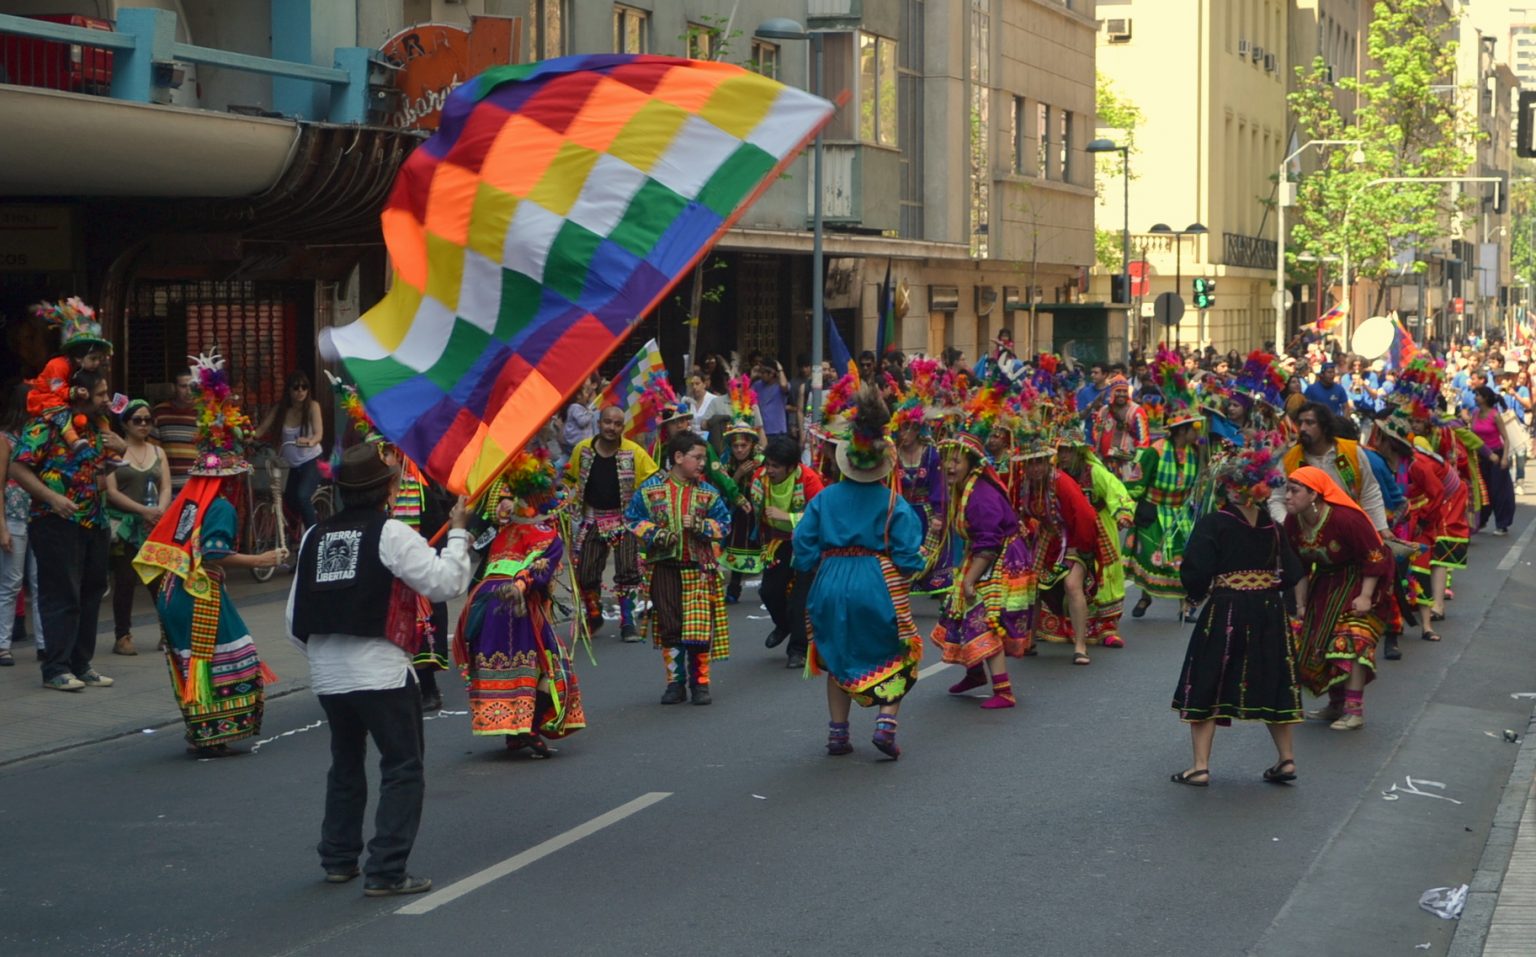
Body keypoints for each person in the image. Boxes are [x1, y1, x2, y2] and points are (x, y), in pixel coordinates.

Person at [287, 443, 475, 896]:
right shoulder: (391, 533)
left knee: (346, 762)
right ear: (390, 488)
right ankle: (387, 870)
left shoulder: (315, 536)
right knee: (403, 766)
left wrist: (325, 656)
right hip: (381, 671)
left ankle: (338, 856)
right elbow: (446, 583)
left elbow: (294, 619)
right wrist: (457, 534)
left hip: (329, 674)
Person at [133, 355, 285, 756]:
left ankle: (203, 733)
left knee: (192, 661)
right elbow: (213, 555)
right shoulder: (220, 507)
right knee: (231, 654)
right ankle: (213, 733)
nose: (240, 481)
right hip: (197, 593)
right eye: (237, 475)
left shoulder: (189, 503)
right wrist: (259, 560)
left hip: (175, 594)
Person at [796, 386, 924, 758]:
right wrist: (914, 570)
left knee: (836, 651)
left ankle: (838, 734)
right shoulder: (891, 502)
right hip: (876, 579)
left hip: (830, 578)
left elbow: (803, 544)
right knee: (900, 650)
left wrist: (813, 568)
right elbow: (906, 554)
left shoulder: (823, 498)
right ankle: (886, 723)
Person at [1169, 446, 1303, 787]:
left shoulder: (1215, 523)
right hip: (1269, 609)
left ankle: (1200, 766)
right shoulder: (1273, 528)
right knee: (1274, 678)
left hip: (1227, 608)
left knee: (1207, 680)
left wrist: (1196, 593)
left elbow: (1196, 571)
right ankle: (1286, 759)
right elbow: (1292, 572)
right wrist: (1266, 585)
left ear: (1228, 487)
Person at [456, 449, 585, 756]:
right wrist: (520, 584)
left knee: (504, 663)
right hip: (518, 602)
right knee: (549, 663)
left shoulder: (504, 530)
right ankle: (527, 728)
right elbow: (537, 571)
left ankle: (514, 732)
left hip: (485, 600)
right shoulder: (547, 535)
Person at [9, 367, 125, 692]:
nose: (106, 400)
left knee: (92, 591)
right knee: (61, 593)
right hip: (55, 520)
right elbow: (18, 466)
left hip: (95, 518)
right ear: (80, 394)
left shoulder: (98, 427)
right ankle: (55, 668)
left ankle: (81, 663)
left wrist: (122, 448)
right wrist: (52, 497)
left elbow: (106, 468)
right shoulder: (46, 423)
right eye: (101, 394)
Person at [624, 430, 733, 705]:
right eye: (697, 457)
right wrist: (657, 535)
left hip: (698, 568)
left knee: (698, 629)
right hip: (664, 567)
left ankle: (701, 684)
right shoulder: (650, 490)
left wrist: (701, 526)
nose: (702, 464)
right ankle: (675, 684)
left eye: (703, 458)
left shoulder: (708, 493)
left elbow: (725, 524)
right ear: (678, 457)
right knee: (670, 627)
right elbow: (632, 519)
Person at [1282, 466, 1394, 732]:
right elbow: (1298, 569)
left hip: (1362, 579)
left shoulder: (1346, 519)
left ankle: (1355, 712)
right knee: (1318, 642)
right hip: (1326, 582)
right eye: (1286, 490)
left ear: (1313, 494)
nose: (1287, 496)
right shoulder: (1292, 523)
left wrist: (1366, 597)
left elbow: (1374, 557)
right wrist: (1300, 604)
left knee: (1352, 639)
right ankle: (1336, 705)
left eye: (1294, 491)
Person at [931, 423, 1034, 709]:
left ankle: (1004, 691)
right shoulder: (964, 488)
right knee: (960, 610)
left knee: (984, 619)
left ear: (971, 464)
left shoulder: (980, 496)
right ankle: (975, 672)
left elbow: (989, 543)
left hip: (999, 557)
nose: (949, 466)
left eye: (956, 460)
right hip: (983, 554)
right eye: (946, 459)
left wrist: (969, 580)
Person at [564, 405, 658, 640]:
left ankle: (628, 624)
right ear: (599, 422)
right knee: (585, 573)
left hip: (624, 519)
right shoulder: (582, 450)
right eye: (608, 422)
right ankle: (594, 615)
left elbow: (655, 479)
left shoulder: (634, 452)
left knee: (628, 570)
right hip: (592, 517)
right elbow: (570, 478)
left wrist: (645, 505)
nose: (611, 428)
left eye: (617, 424)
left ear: (622, 428)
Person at [1045, 431, 1134, 651]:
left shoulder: (1093, 472)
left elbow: (1116, 490)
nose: (1064, 455)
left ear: (1079, 452)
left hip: (1098, 527)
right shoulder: (1055, 475)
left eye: (1068, 451)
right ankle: (1065, 625)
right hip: (1067, 532)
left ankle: (1106, 628)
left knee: (1104, 576)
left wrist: (1122, 514)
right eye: (1060, 451)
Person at [747, 434, 824, 670]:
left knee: (800, 600)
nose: (769, 470)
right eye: (768, 464)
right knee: (769, 591)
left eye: (775, 466)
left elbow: (821, 516)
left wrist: (787, 517)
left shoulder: (810, 480)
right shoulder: (760, 477)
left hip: (808, 544)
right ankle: (784, 625)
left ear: (792, 467)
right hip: (778, 542)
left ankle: (798, 650)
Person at [105, 399, 172, 656]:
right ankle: (122, 636)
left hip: (153, 525)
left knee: (159, 581)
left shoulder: (158, 452)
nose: (144, 425)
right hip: (124, 526)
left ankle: (167, 633)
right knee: (125, 580)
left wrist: (159, 511)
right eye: (137, 420)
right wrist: (143, 511)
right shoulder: (114, 453)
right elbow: (110, 491)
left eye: (148, 420)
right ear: (125, 423)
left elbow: (165, 486)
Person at [1268, 402, 1389, 535]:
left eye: (1309, 423)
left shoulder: (1351, 451)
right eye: (1300, 423)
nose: (1302, 428)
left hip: (1349, 531)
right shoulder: (1290, 458)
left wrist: (1380, 529)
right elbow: (1277, 499)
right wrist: (1288, 527)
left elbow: (1370, 492)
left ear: (1324, 427)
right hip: (1305, 537)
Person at [1126, 412, 1202, 622]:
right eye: (1194, 429)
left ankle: (1184, 607)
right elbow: (1138, 480)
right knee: (1151, 557)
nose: (1197, 434)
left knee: (1182, 560)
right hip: (1155, 512)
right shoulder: (1155, 451)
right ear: (1182, 430)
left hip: (1180, 514)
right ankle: (1145, 597)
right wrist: (1124, 504)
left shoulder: (1195, 453)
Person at [255, 371, 325, 533]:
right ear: (289, 390)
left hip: (312, 460)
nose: (300, 391)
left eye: (304, 387)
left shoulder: (313, 406)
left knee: (302, 496)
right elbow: (261, 430)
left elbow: (318, 434)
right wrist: (246, 437)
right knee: (287, 499)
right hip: (289, 465)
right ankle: (295, 534)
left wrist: (310, 441)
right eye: (296, 387)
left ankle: (314, 536)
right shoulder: (280, 409)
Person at [0, 383, 38, 667]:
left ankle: (45, 643)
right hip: (13, 514)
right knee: (11, 583)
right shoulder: (5, 439)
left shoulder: (41, 437)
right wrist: (0, 525)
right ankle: (2, 644)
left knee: (41, 583)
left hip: (39, 514)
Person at [1468, 385, 1515, 535]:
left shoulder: (1495, 415)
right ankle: (1481, 520)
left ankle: (1502, 524)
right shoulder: (1474, 414)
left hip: (1496, 455)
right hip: (1480, 457)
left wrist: (1504, 458)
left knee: (1498, 491)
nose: (1475, 397)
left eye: (1478, 395)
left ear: (1486, 398)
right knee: (1482, 490)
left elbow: (1506, 439)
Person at [1095, 374, 1151, 483]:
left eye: (1124, 391)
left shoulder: (1137, 411)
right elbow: (1097, 431)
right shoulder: (1104, 411)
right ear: (1112, 392)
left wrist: (1136, 463)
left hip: (1127, 465)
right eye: (1118, 391)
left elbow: (1143, 441)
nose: (1121, 394)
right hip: (1105, 463)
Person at [153, 370, 200, 493]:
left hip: (198, 485)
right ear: (174, 388)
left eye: (192, 386)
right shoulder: (160, 412)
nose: (189, 391)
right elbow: (154, 452)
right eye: (183, 386)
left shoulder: (205, 412)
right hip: (168, 487)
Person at [560, 374, 600, 453]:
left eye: (585, 379)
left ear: (594, 385)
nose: (587, 395)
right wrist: (590, 413)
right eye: (584, 392)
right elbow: (582, 421)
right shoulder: (576, 407)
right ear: (578, 396)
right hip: (577, 443)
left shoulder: (584, 407)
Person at [752, 360, 790, 437]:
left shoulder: (780, 385)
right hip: (761, 430)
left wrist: (780, 369)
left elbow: (784, 385)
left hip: (778, 431)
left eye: (763, 373)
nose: (760, 375)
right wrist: (751, 377)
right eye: (760, 372)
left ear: (772, 374)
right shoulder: (757, 385)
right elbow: (745, 396)